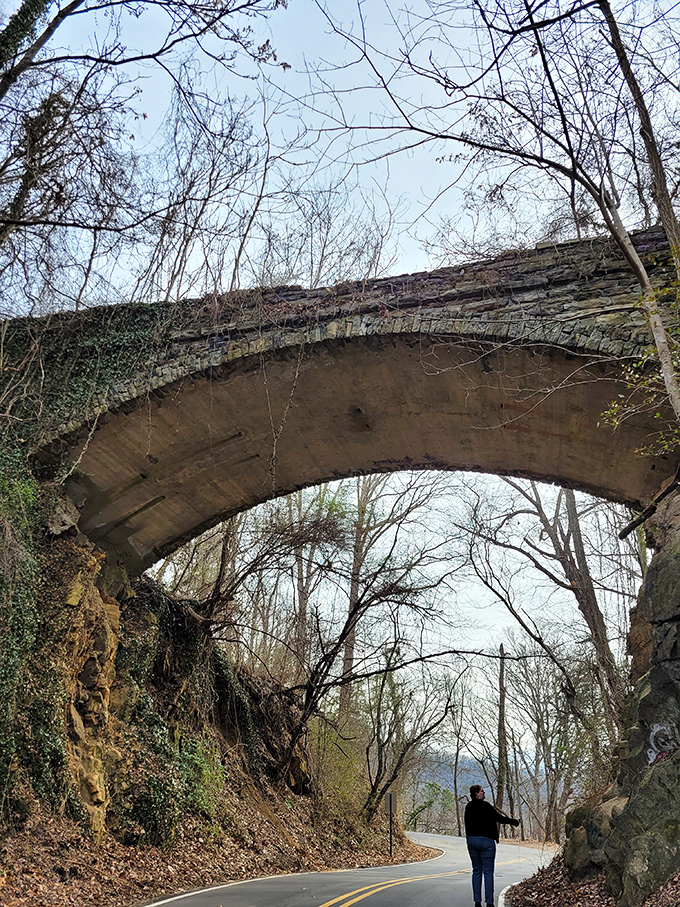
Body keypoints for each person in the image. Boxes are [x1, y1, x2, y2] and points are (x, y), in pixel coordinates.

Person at [464, 784, 520, 907]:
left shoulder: (468, 807)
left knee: (476, 871)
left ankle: (477, 902)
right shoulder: (486, 806)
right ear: (476, 794)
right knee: (488, 873)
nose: (484, 792)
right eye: (482, 791)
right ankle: (489, 903)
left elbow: (466, 824)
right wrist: (513, 822)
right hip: (486, 842)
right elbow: (498, 818)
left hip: (472, 841)